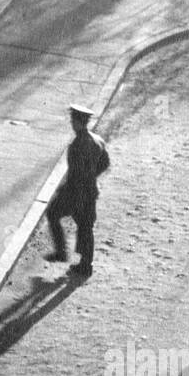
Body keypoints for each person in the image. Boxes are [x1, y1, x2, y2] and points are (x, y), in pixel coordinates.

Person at [45, 104, 110, 277]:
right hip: (90, 192)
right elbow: (105, 163)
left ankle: (61, 252)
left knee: (52, 213)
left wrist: (64, 191)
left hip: (76, 193)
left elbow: (75, 173)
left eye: (73, 120)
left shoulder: (76, 145)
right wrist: (92, 176)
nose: (72, 123)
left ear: (77, 122)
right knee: (86, 227)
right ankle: (85, 265)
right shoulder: (98, 140)